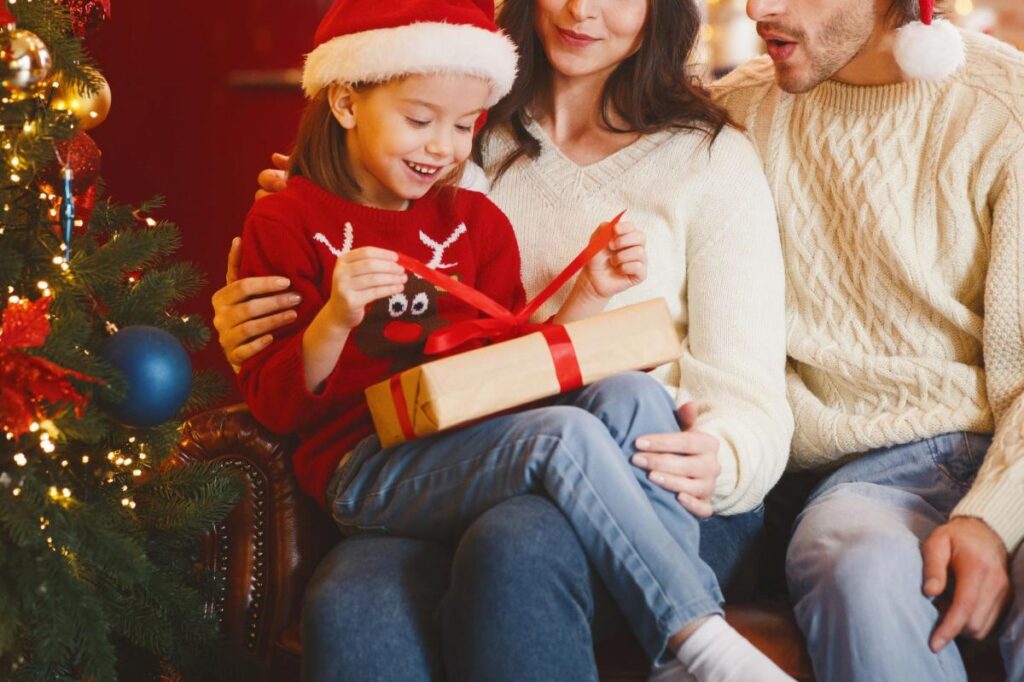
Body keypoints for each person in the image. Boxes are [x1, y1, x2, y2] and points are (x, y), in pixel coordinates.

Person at [216, 0, 793, 679]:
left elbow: (744, 395)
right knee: (352, 594)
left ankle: (689, 637)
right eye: (425, 123)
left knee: (540, 511)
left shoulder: (706, 157)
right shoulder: (462, 146)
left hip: (640, 471)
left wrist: (719, 455)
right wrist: (271, 313)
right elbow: (331, 252)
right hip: (457, 450)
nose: (582, 8)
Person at [705, 0, 1024, 679]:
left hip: (1006, 441)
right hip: (859, 481)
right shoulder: (729, 114)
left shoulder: (1004, 108)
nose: (759, 9)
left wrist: (993, 519)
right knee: (860, 564)